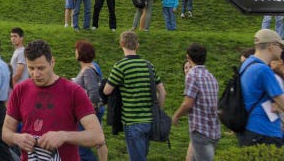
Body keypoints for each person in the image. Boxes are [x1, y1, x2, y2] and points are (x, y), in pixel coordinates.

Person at [3, 39, 105, 160]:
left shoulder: (73, 91)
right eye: (31, 68)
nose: (35, 74)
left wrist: (63, 136)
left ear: (52, 62)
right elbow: (6, 132)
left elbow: (97, 136)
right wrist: (16, 138)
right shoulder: (20, 90)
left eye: (41, 68)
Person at [103, 31, 166, 160]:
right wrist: (158, 112)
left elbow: (107, 91)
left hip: (132, 122)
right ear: (137, 45)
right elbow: (163, 92)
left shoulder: (120, 66)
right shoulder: (149, 65)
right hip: (150, 121)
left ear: (121, 44)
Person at [172, 43, 220, 161]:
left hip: (200, 130)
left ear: (188, 57)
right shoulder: (211, 76)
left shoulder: (192, 75)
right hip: (214, 129)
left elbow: (188, 103)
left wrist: (176, 116)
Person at [236, 29, 284, 147]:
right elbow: (281, 101)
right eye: (280, 45)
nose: (282, 50)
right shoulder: (263, 70)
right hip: (265, 132)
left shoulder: (247, 65)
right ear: (271, 46)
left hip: (249, 128)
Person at [73, 41, 107, 161]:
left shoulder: (87, 71)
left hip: (86, 114)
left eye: (76, 50)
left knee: (81, 148)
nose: (75, 52)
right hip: (87, 113)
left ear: (81, 53)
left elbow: (93, 93)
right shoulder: (91, 67)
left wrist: (89, 112)